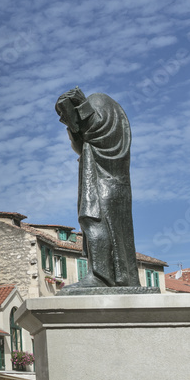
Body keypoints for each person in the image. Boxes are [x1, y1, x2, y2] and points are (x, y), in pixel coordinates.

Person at [55, 88, 140, 288]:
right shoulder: (92, 139)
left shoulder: (101, 103)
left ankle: (102, 277)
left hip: (108, 185)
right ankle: (103, 274)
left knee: (96, 222)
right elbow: (82, 143)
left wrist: (82, 108)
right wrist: (71, 123)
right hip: (99, 182)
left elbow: (99, 131)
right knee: (93, 223)